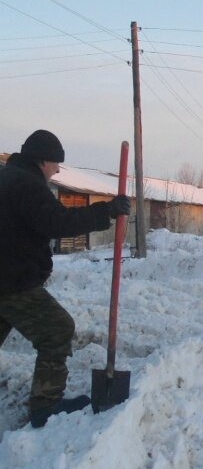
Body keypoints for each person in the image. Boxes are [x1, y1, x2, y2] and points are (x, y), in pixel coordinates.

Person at [0, 130, 131, 428]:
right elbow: (56, 222)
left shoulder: (6, 178)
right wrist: (106, 211)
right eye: (55, 163)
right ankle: (46, 405)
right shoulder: (27, 185)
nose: (57, 170)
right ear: (42, 160)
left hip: (5, 277)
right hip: (13, 283)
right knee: (58, 329)